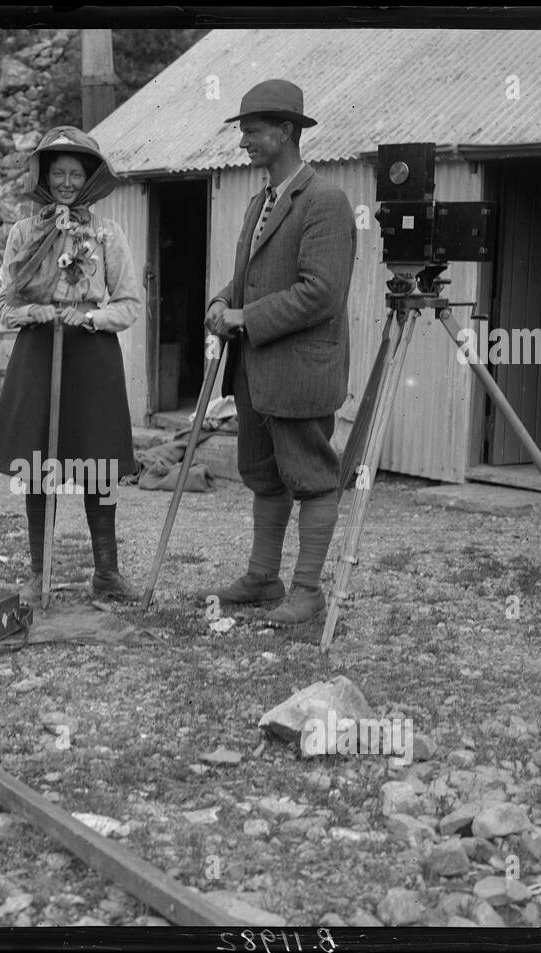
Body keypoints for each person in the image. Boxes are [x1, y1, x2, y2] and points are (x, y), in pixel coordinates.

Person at [203, 80, 356, 625]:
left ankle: (308, 591)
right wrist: (224, 299)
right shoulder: (259, 202)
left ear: (287, 131)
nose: (243, 141)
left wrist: (246, 317)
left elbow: (321, 292)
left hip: (299, 373)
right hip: (255, 373)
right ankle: (263, 577)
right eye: (243, 130)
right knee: (264, 476)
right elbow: (248, 279)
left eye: (252, 130)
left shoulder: (326, 202)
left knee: (312, 477)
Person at [0, 126, 142, 605]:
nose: (67, 182)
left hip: (91, 356)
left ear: (89, 178)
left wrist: (89, 317)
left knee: (98, 464)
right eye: (58, 172)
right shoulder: (24, 233)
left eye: (76, 173)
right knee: (37, 465)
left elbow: (130, 304)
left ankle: (107, 573)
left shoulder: (107, 234)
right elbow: (5, 306)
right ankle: (40, 573)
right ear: (44, 177)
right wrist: (38, 312)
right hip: (38, 352)